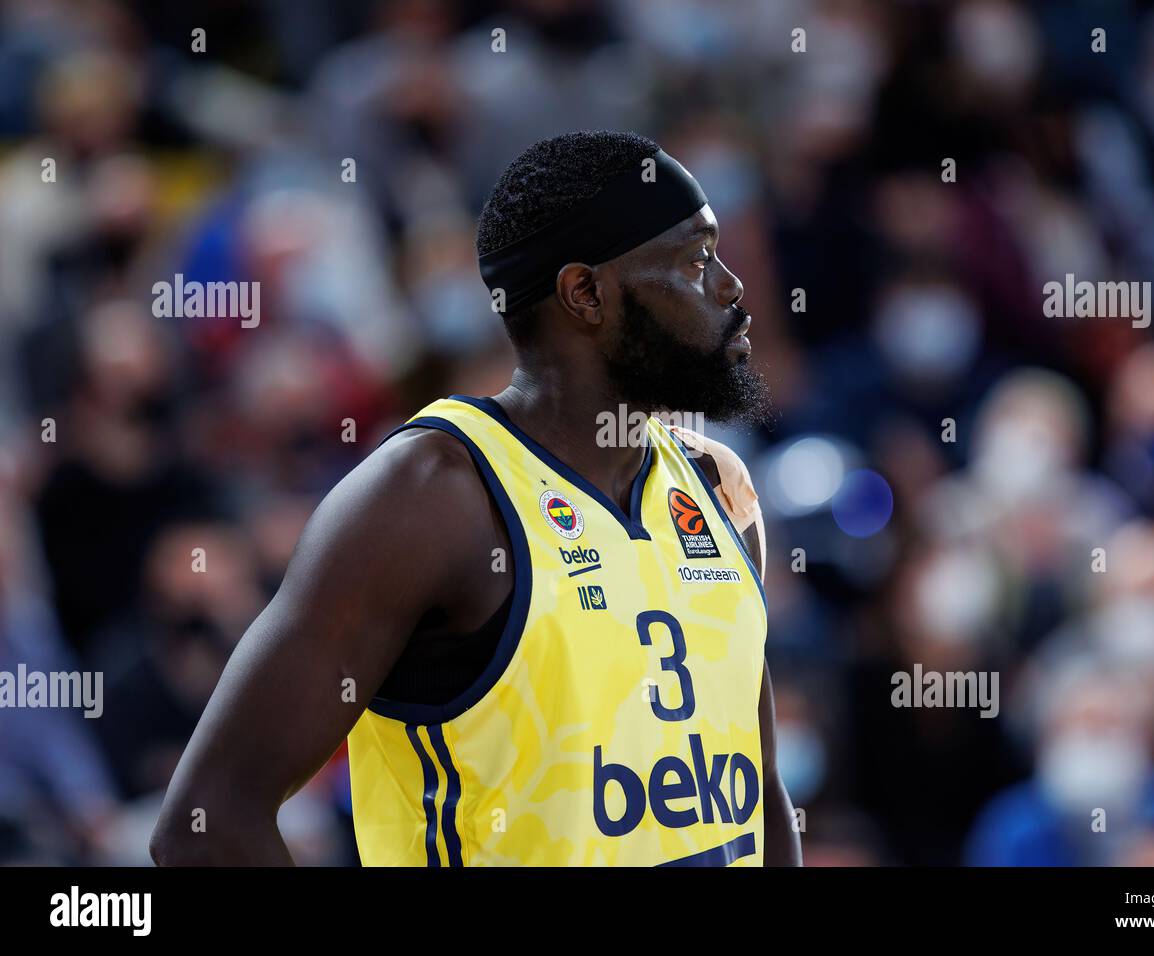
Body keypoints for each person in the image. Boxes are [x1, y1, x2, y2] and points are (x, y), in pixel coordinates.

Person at [151, 130, 800, 866]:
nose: (731, 286)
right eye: (696, 259)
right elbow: (207, 820)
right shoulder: (430, 495)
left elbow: (761, 790)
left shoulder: (716, 483)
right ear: (586, 293)